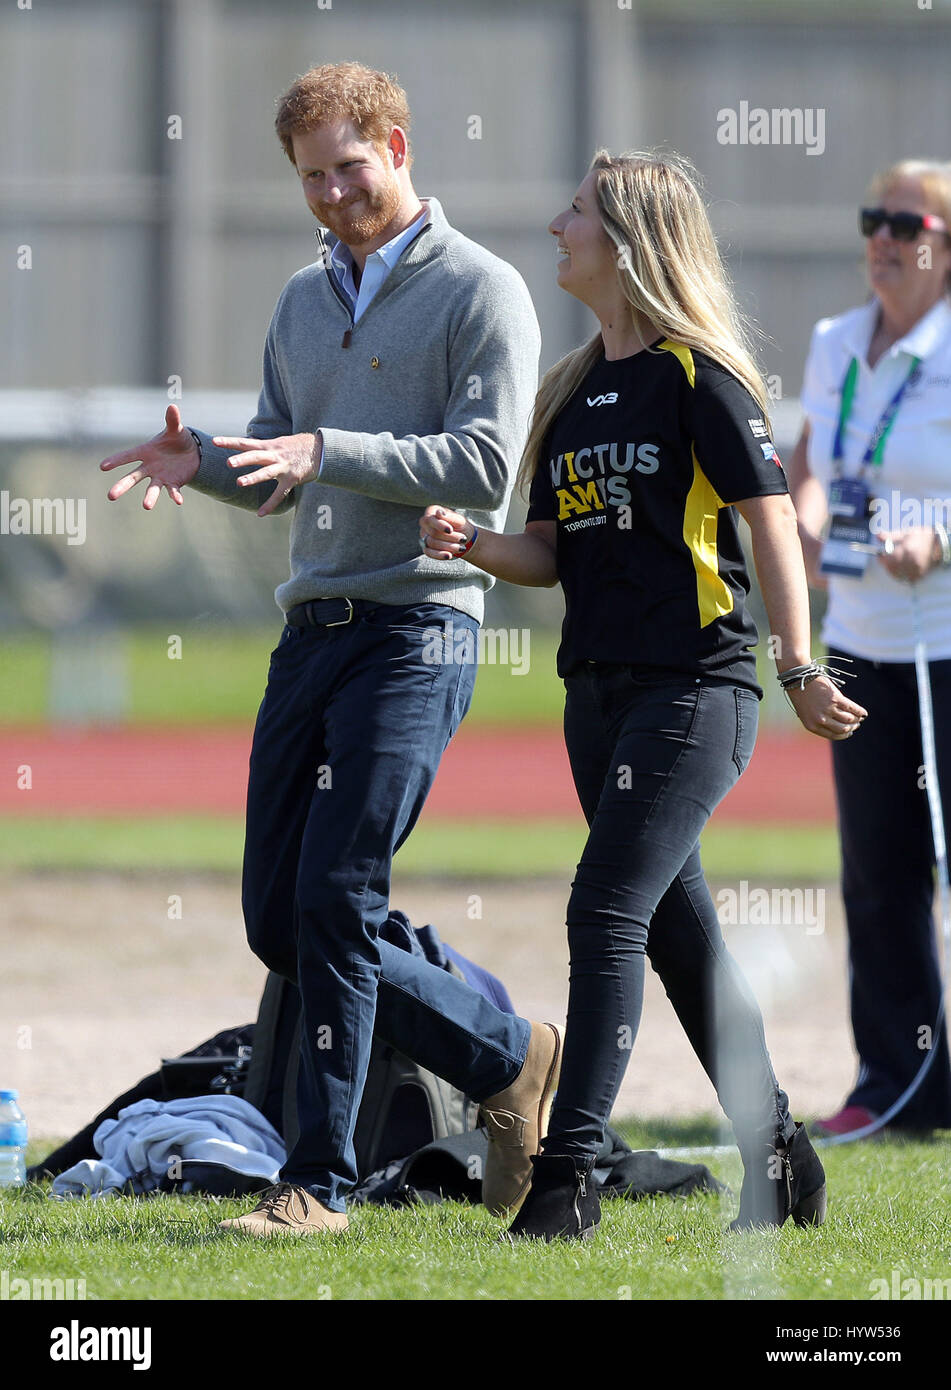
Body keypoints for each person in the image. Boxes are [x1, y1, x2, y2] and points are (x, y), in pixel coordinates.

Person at [100, 61, 560, 1237]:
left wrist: (325, 448)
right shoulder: (303, 299)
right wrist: (200, 460)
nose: (332, 196)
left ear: (399, 147)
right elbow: (278, 462)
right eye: (312, 179)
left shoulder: (485, 289)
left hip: (420, 626)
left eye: (349, 168)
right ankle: (508, 1054)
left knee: (337, 892)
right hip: (313, 629)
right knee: (281, 917)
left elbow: (482, 464)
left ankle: (321, 1183)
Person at [420, 149, 869, 1241]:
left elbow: (769, 524)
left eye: (573, 210)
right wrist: (479, 545)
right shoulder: (571, 389)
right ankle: (782, 1158)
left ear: (626, 239)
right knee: (678, 939)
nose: (555, 223)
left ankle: (567, 1177)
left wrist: (798, 667)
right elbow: (551, 550)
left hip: (696, 691)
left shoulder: (697, 377)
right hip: (596, 698)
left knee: (603, 910)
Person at [787, 158, 951, 1139]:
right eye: (872, 217)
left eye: (907, 220)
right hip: (860, 642)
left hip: (946, 643)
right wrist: (806, 526)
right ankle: (900, 1079)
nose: (884, 238)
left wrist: (940, 539)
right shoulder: (835, 340)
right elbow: (813, 460)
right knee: (880, 872)